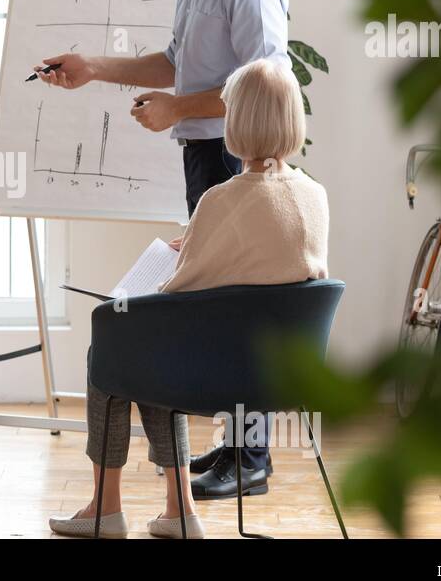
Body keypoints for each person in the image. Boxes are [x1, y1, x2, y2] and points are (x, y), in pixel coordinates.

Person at [34, 0, 290, 497]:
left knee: (243, 305)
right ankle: (236, 446)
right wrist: (93, 67)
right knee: (219, 301)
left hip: (242, 159)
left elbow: (264, 89)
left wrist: (177, 107)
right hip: (204, 157)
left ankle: (251, 458)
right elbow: (174, 63)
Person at [49, 58, 329, 538]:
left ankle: (106, 508)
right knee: (148, 344)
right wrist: (202, 247)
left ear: (236, 120)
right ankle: (179, 513)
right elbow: (269, 266)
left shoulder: (221, 200)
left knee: (118, 344)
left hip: (220, 378)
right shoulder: (313, 194)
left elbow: (176, 294)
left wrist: (185, 255)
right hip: (280, 374)